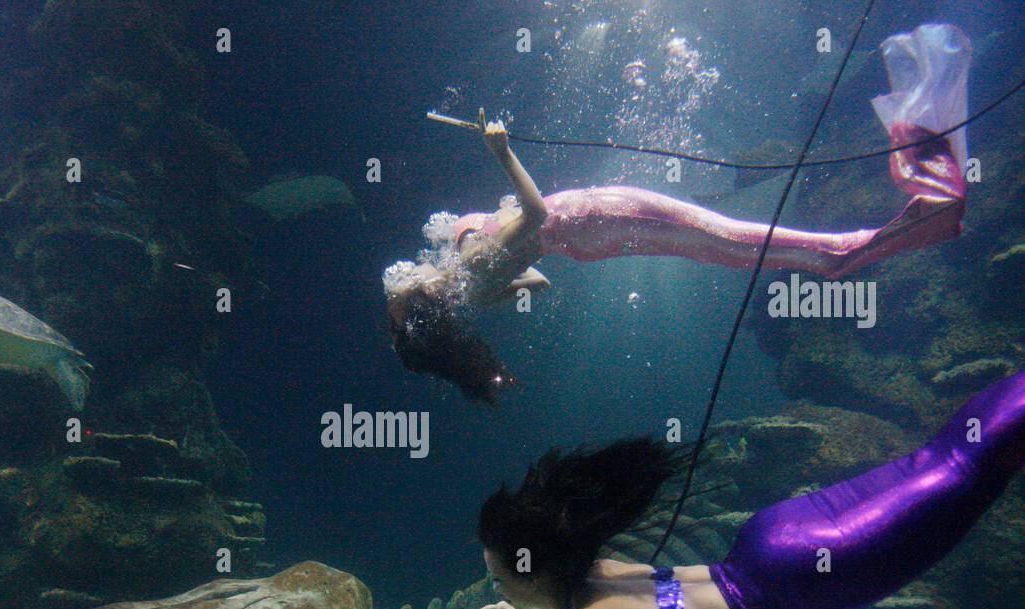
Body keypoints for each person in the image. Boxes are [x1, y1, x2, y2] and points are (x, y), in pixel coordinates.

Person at [361, 368, 1023, 609]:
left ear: (534, 568)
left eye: (499, 574)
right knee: (944, 460)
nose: (494, 582)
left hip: (809, 576)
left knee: (966, 470)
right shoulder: (594, 577)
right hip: (776, 541)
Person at [383, 24, 972, 403]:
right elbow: (537, 216)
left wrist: (518, 246)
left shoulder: (476, 290)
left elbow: (537, 278)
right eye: (404, 284)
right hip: (598, 215)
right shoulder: (472, 256)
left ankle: (876, 242)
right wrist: (503, 155)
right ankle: (880, 240)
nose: (404, 272)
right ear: (422, 296)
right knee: (738, 239)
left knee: (736, 247)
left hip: (590, 238)